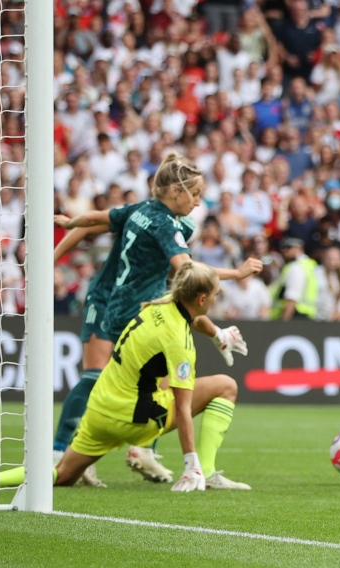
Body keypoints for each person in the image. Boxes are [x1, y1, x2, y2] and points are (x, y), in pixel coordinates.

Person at [0, 262, 252, 491]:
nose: (216, 299)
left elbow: (193, 318)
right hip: (137, 417)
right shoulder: (180, 343)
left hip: (101, 408)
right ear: (201, 298)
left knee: (62, 474)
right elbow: (183, 408)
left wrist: (217, 334)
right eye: (215, 295)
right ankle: (206, 472)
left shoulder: (159, 305)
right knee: (226, 385)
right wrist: (190, 464)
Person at [52, 152, 262, 484]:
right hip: (127, 305)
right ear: (175, 191)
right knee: (133, 383)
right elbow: (188, 274)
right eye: (193, 194)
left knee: (134, 381)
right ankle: (72, 449)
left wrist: (71, 221)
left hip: (134, 305)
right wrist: (236, 273)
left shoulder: (139, 210)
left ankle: (135, 448)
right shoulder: (167, 224)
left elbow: (97, 217)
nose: (197, 202)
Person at [270, 237, 318, 320]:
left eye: (289, 247)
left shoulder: (295, 267)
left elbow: (292, 298)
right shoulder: (309, 265)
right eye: (283, 248)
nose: (284, 251)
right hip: (307, 317)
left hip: (295, 317)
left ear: (299, 248)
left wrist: (283, 323)